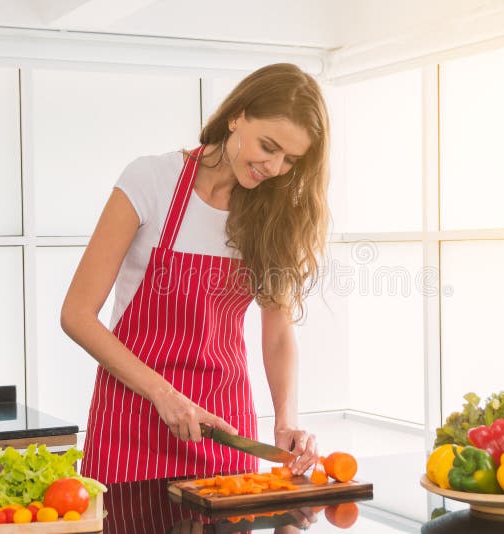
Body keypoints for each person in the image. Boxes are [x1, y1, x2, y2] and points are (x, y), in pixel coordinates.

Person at [61, 63, 330, 484]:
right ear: (236, 115)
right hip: (133, 423)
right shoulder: (151, 180)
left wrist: (285, 423)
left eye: (290, 160)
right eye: (268, 146)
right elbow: (76, 314)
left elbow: (278, 334)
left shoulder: (275, 214)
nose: (274, 167)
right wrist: (164, 394)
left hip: (225, 433)